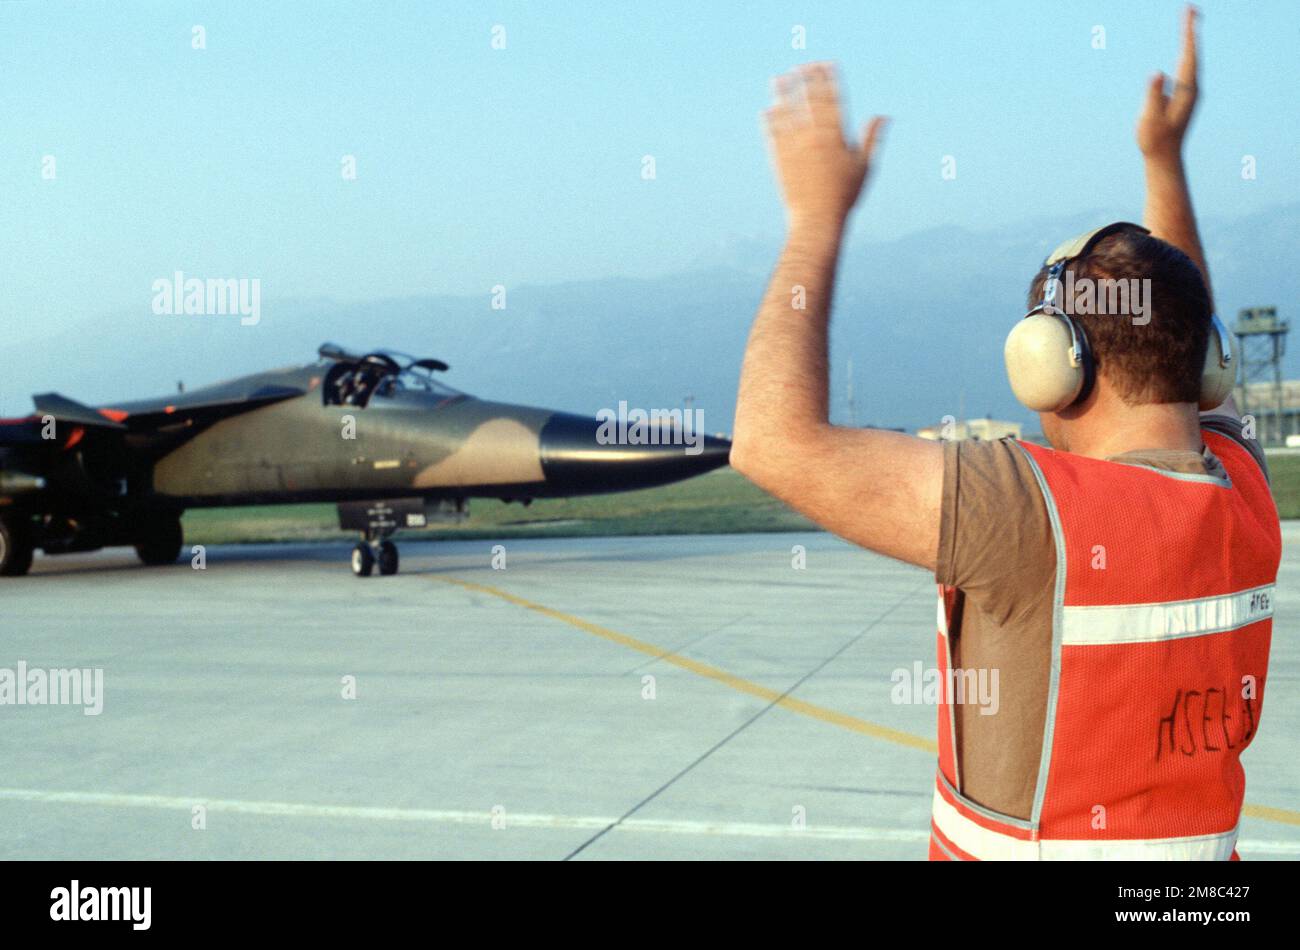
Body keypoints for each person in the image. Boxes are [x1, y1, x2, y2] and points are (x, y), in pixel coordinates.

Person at [731, 6, 1279, 860]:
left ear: (1048, 367)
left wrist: (814, 218)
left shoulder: (1036, 520)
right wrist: (1164, 162)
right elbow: (1183, 329)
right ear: (1205, 360)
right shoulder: (1243, 492)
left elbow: (769, 442)